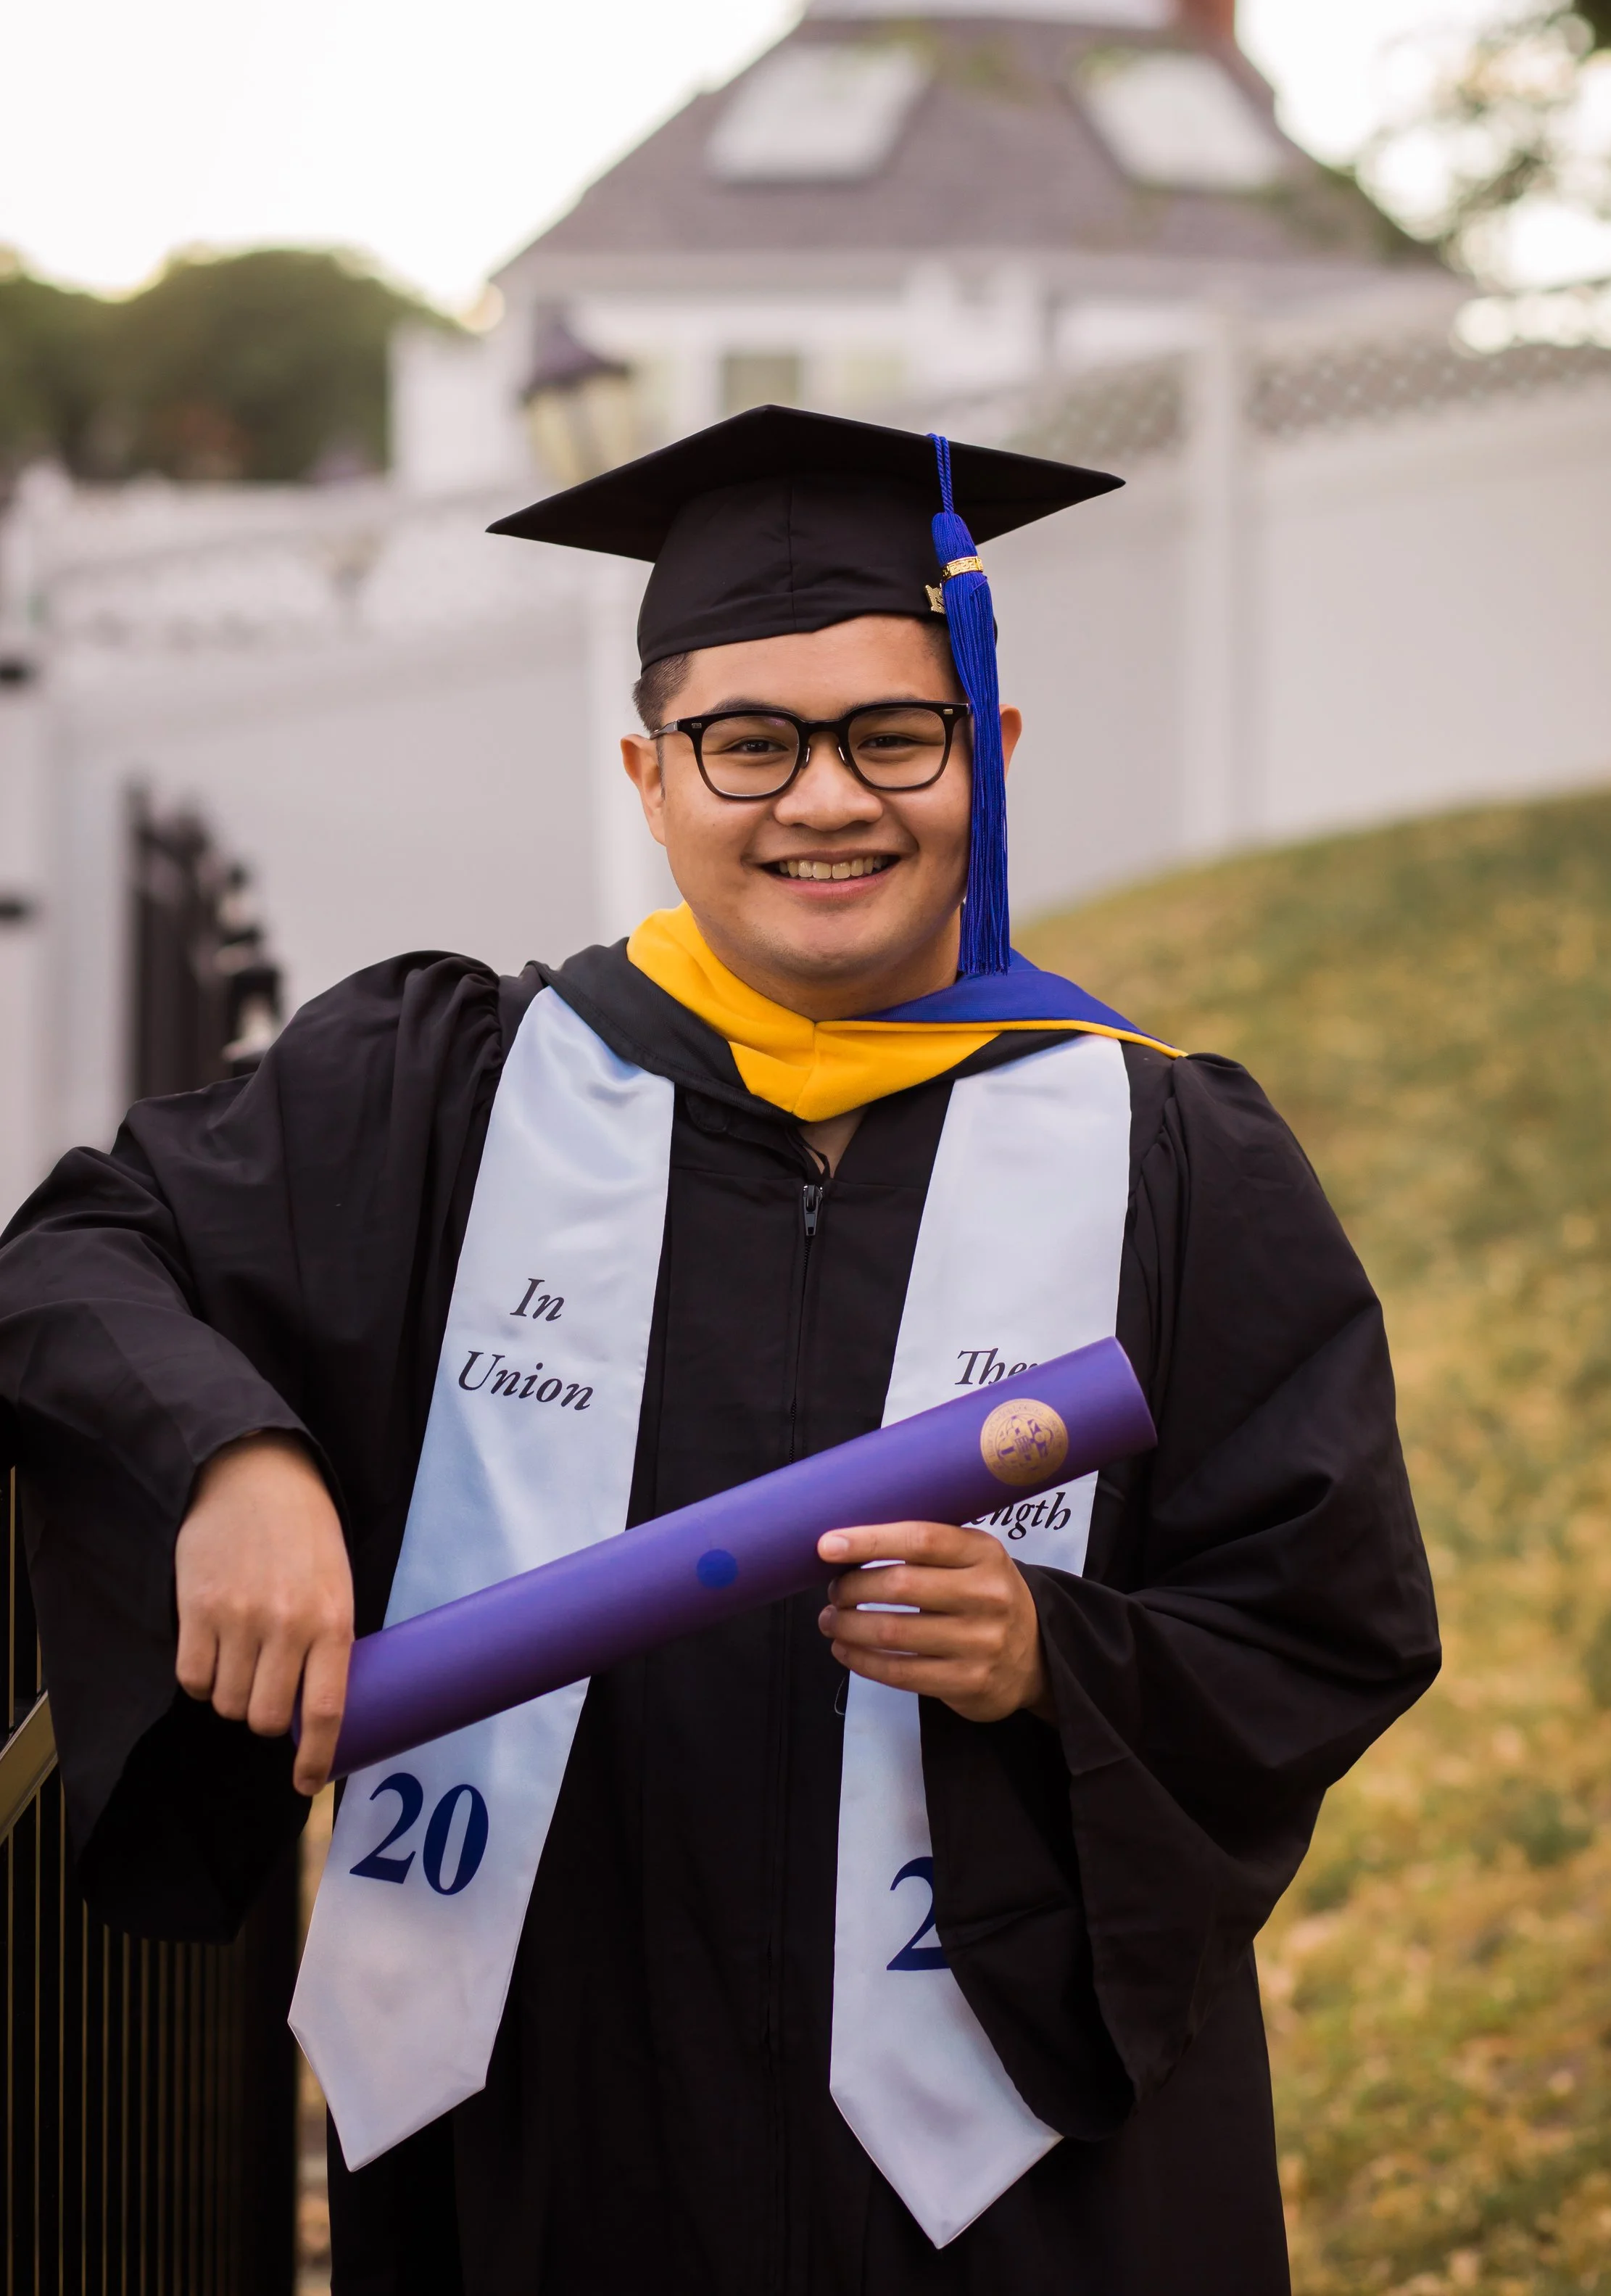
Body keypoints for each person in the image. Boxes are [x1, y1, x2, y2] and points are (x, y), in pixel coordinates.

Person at [0, 406, 1439, 2296]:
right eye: (747, 740)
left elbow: (1324, 1615)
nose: (823, 798)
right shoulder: (443, 1092)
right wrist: (230, 1456)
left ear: (984, 754)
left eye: (889, 734)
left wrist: (1050, 1657)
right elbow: (70, 1261)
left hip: (1008, 2168)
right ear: (650, 773)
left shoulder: (1170, 1154)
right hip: (549, 2107)